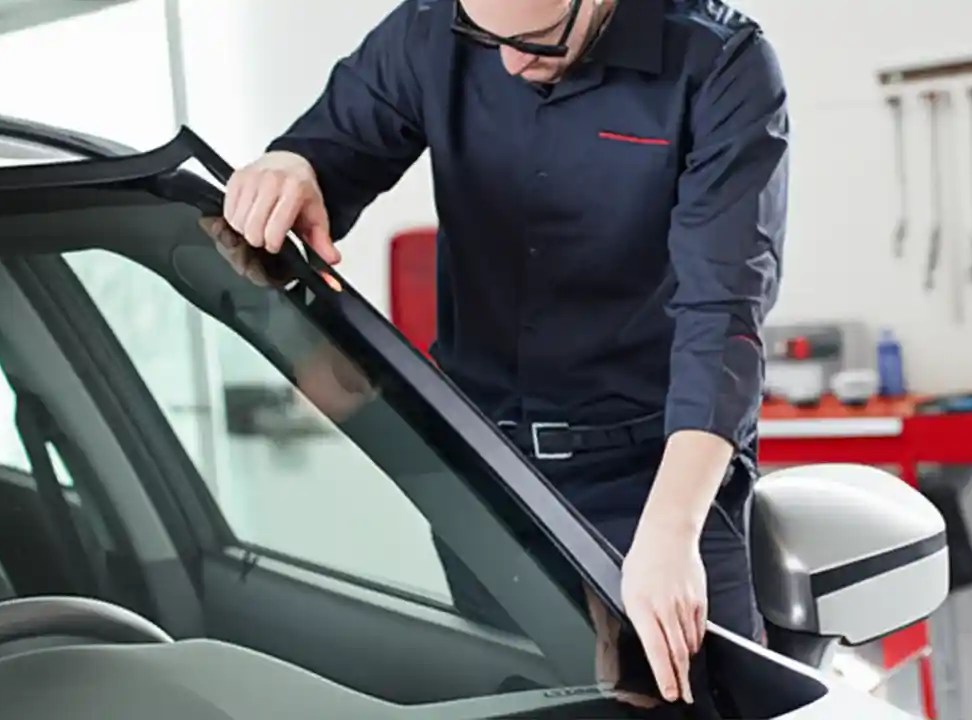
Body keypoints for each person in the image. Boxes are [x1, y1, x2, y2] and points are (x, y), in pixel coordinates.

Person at [221, 0, 789, 706]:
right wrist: (290, 165)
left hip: (652, 486)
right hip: (487, 482)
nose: (510, 62)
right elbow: (325, 151)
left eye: (537, 40)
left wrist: (671, 535)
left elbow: (724, 316)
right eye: (483, 37)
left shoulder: (719, 64)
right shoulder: (432, 26)